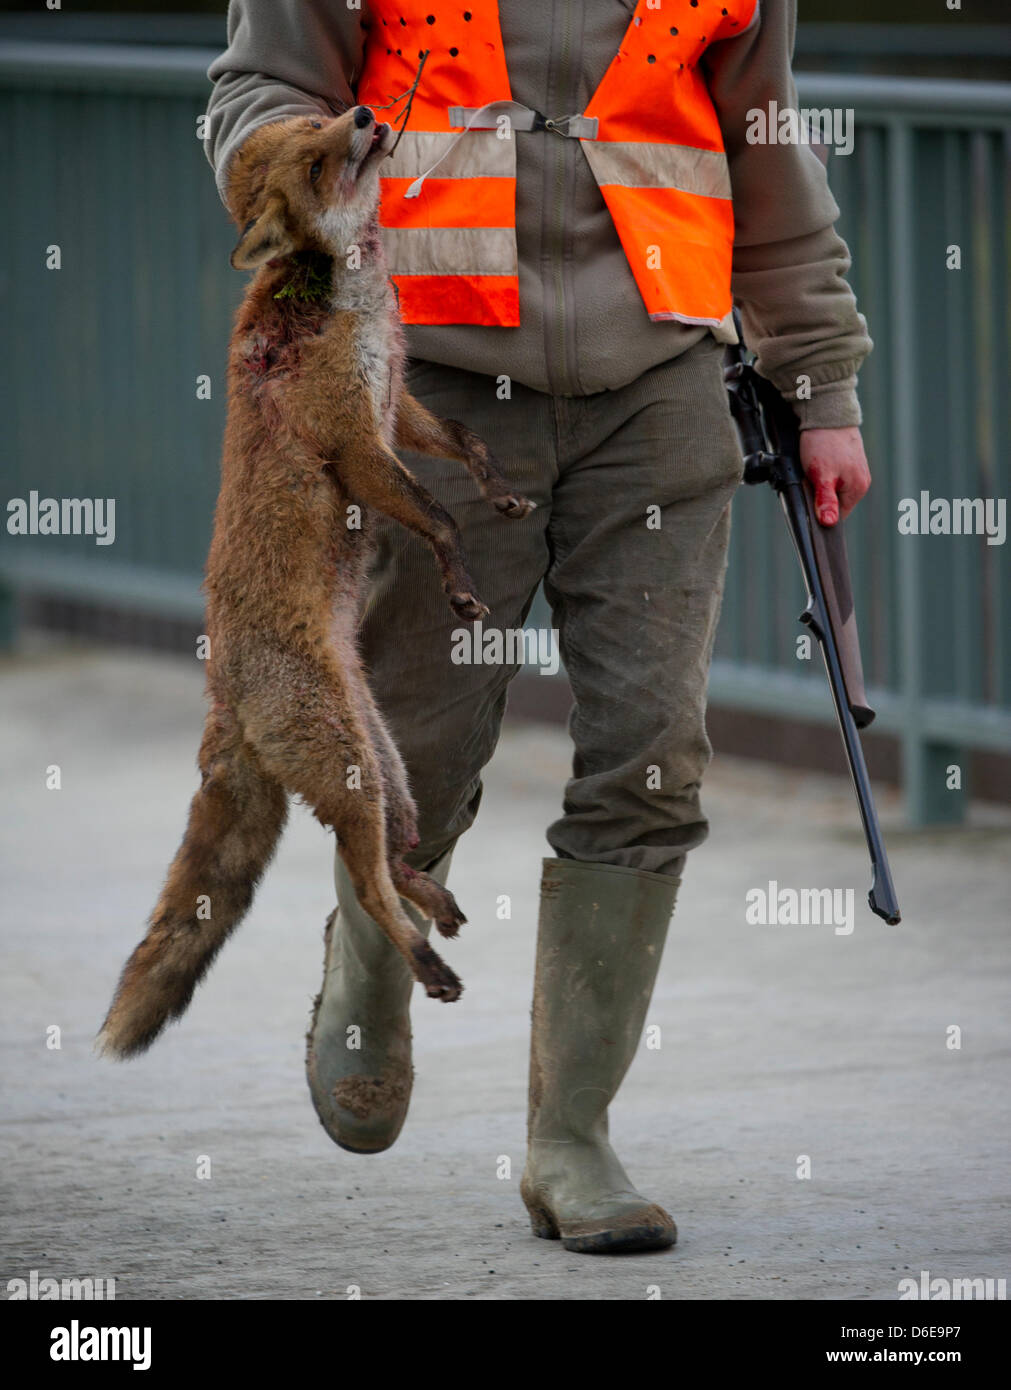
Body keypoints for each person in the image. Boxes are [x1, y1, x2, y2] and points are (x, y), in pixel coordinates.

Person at [204, 0, 873, 1255]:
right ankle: (372, 946)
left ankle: (572, 1139)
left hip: (663, 379)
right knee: (419, 751)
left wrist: (820, 382)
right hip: (432, 379)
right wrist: (313, 172)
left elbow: (768, 146)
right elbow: (254, 100)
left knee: (653, 751)